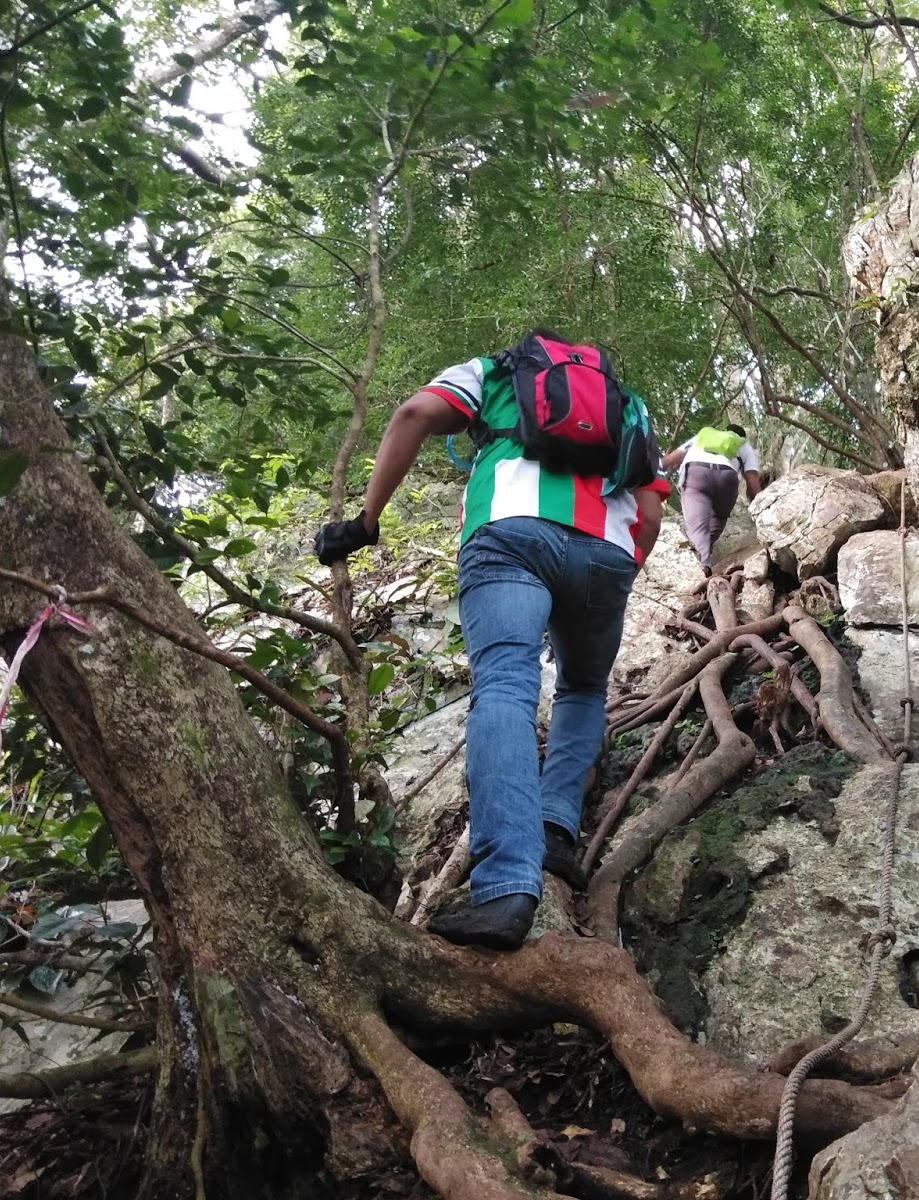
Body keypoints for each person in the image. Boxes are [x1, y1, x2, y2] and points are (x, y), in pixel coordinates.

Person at [315, 330, 668, 950]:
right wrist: (616, 573)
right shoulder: (628, 403)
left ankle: (506, 886)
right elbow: (653, 511)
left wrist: (365, 523)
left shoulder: (495, 373)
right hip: (606, 553)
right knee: (584, 688)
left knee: (505, 687)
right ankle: (556, 829)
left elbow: (414, 414)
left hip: (509, 534)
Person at [660, 423, 761, 576]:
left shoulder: (705, 434)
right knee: (718, 518)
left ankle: (703, 561)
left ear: (724, 431)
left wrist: (657, 466)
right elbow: (751, 477)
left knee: (697, 525)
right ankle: (704, 553)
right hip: (726, 478)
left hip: (697, 474)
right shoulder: (743, 444)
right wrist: (760, 505)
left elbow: (672, 458)